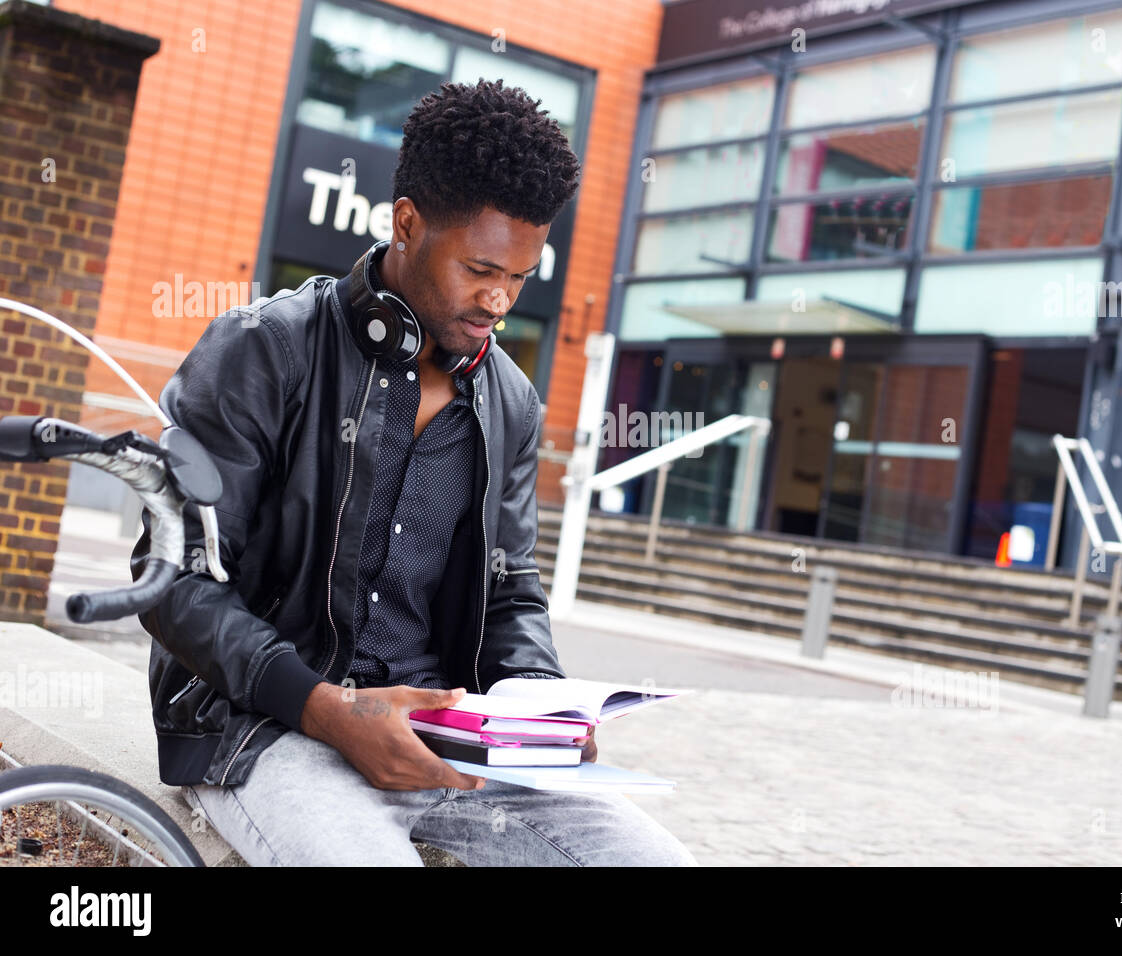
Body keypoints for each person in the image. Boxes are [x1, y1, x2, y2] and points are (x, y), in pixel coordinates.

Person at [131, 78, 697, 867]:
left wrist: (539, 707)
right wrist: (326, 710)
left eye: (521, 278)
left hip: (450, 742)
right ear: (406, 223)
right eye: (480, 269)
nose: (499, 300)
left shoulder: (512, 404)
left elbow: (511, 592)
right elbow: (175, 580)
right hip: (267, 726)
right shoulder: (263, 349)